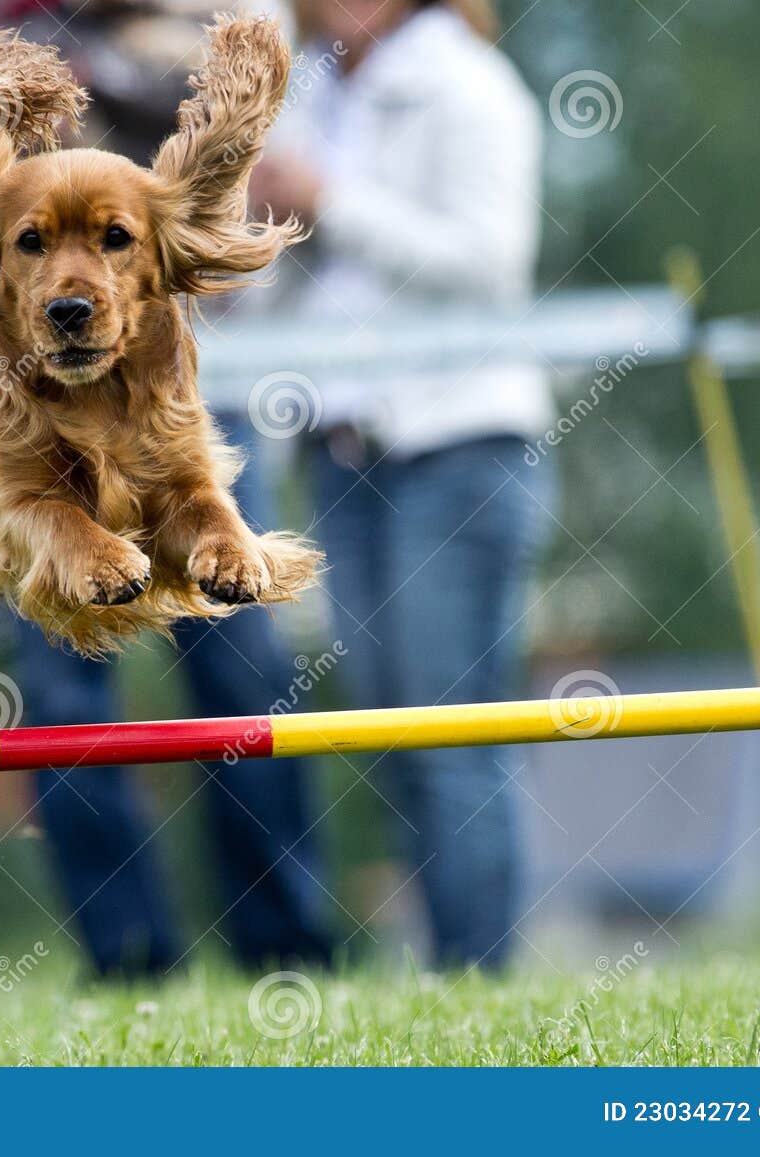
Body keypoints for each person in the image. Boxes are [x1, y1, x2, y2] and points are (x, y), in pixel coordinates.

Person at [0, 0, 333, 975]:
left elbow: (261, 150)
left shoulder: (184, 18)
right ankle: (128, 957)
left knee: (241, 664)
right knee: (58, 687)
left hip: (182, 372)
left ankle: (289, 948)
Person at [253, 0, 553, 968]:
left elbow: (489, 261)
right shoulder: (312, 99)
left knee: (451, 736)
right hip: (347, 455)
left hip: (457, 448)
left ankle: (479, 978)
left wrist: (328, 201)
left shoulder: (469, 84)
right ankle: (451, 968)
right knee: (393, 732)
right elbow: (305, 286)